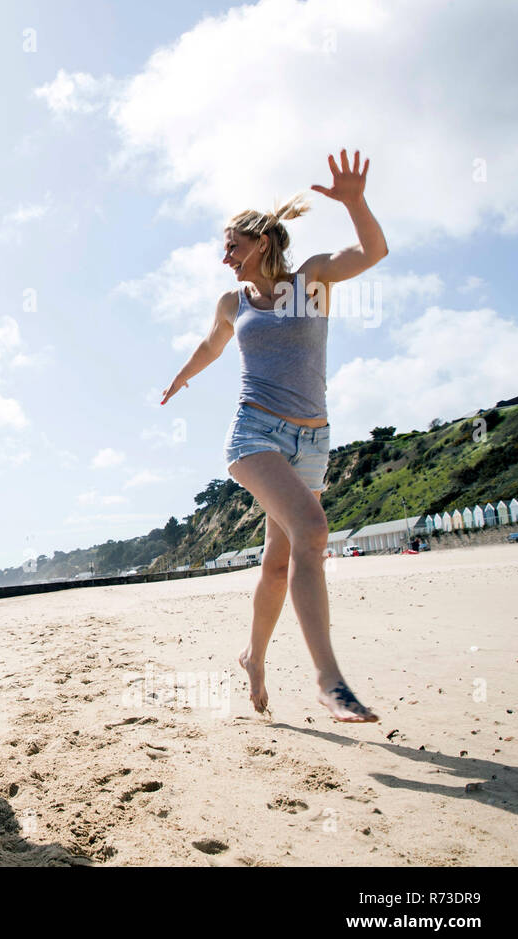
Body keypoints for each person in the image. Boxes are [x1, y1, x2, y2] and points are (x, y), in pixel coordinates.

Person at [161, 150, 387, 723]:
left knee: (279, 564)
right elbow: (212, 345)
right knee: (312, 529)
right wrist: (182, 378)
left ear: (262, 242)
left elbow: (371, 252)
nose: (224, 257)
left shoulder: (311, 280)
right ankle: (329, 681)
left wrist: (355, 201)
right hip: (254, 434)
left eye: (232, 245)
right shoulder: (232, 302)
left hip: (313, 443)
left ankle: (252, 657)